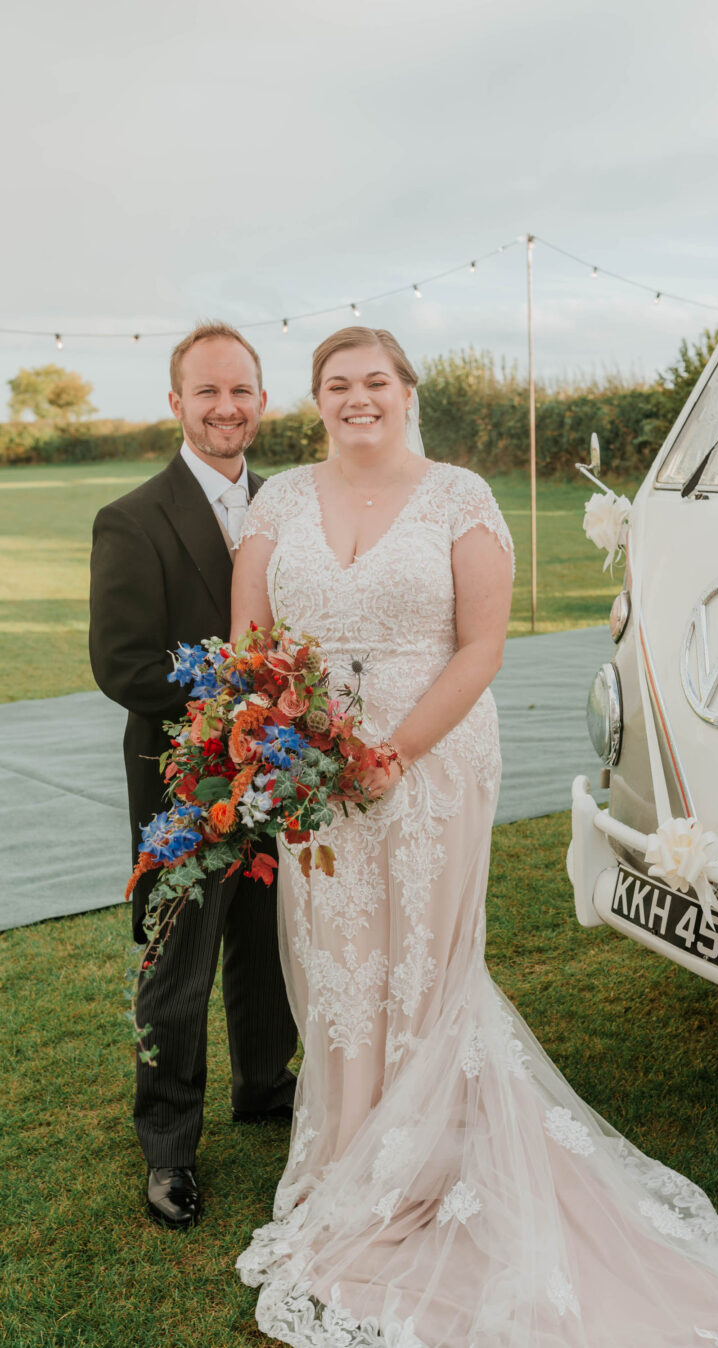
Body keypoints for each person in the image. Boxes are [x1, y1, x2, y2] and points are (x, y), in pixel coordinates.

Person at [230, 326, 718, 1347]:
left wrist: (395, 752)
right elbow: (249, 646)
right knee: (337, 959)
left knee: (421, 960)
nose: (357, 398)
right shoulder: (278, 503)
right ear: (317, 399)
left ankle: (422, 1165)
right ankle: (345, 1157)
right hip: (313, 774)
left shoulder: (460, 498)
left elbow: (481, 645)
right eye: (336, 385)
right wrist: (293, 744)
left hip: (432, 764)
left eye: (374, 380)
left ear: (406, 390)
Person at [89, 322, 297, 1230]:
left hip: (286, 773)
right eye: (207, 392)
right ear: (176, 403)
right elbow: (123, 665)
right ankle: (169, 1147)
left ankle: (265, 1085)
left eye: (240, 390)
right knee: (178, 962)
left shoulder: (295, 507)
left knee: (270, 939)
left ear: (262, 399)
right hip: (184, 783)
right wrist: (233, 710)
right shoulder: (131, 518)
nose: (226, 408)